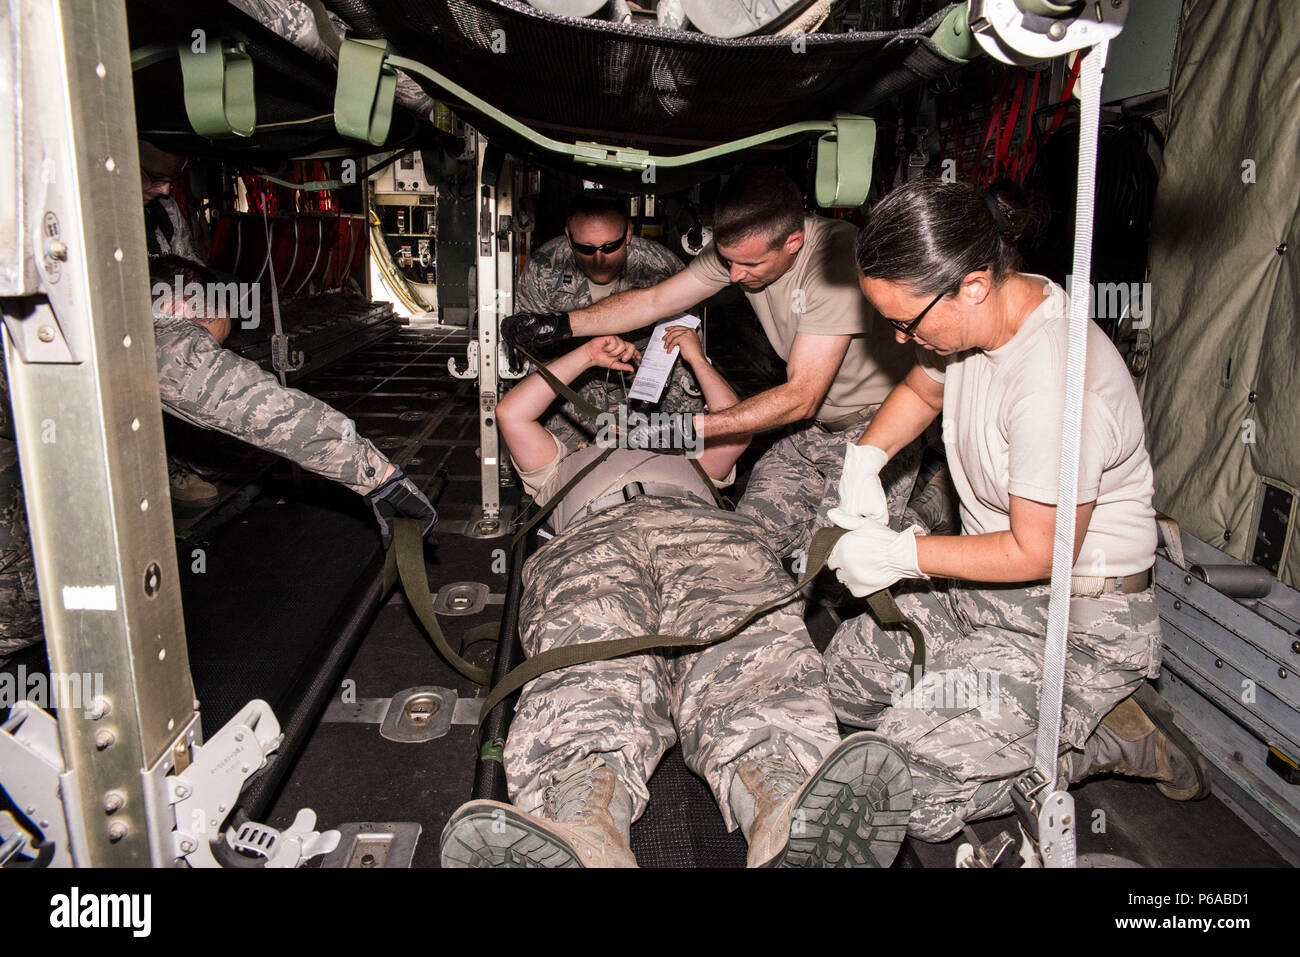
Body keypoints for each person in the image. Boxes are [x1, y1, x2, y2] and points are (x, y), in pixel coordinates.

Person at [817, 178, 1207, 856]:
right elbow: (922, 385)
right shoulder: (977, 319)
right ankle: (1004, 711)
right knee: (841, 681)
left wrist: (902, 556)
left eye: (907, 322)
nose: (904, 337)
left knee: (904, 789)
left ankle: (1104, 730)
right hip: (983, 596)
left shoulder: (1055, 377)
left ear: (970, 284)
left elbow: (1037, 550)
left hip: (1072, 624)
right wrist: (866, 457)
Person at [439, 328, 911, 868]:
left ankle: (780, 805)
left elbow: (735, 418)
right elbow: (511, 414)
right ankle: (584, 826)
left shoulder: (691, 457)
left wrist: (695, 354)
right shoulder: (558, 462)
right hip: (597, 538)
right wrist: (588, 353)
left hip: (705, 532)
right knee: (591, 649)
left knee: (745, 646)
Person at [0, 256, 436, 668]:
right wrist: (379, 478)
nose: (209, 348)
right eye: (209, 338)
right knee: (32, 608)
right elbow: (252, 405)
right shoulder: (149, 329)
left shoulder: (79, 312)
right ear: (182, 307)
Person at [501, 166, 919, 560]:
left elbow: (801, 395)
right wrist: (559, 325)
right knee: (746, 544)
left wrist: (674, 430)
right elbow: (654, 301)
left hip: (872, 426)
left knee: (839, 558)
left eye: (749, 265)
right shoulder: (742, 252)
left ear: (793, 242)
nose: (733, 277)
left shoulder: (833, 260)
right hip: (809, 428)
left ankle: (913, 543)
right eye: (728, 260)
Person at [515, 191, 702, 453]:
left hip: (642, 387)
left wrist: (679, 432)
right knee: (560, 472)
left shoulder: (663, 269)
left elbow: (684, 350)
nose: (599, 259)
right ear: (569, 236)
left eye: (610, 246)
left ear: (628, 233)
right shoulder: (544, 268)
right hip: (569, 391)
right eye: (585, 248)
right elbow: (533, 354)